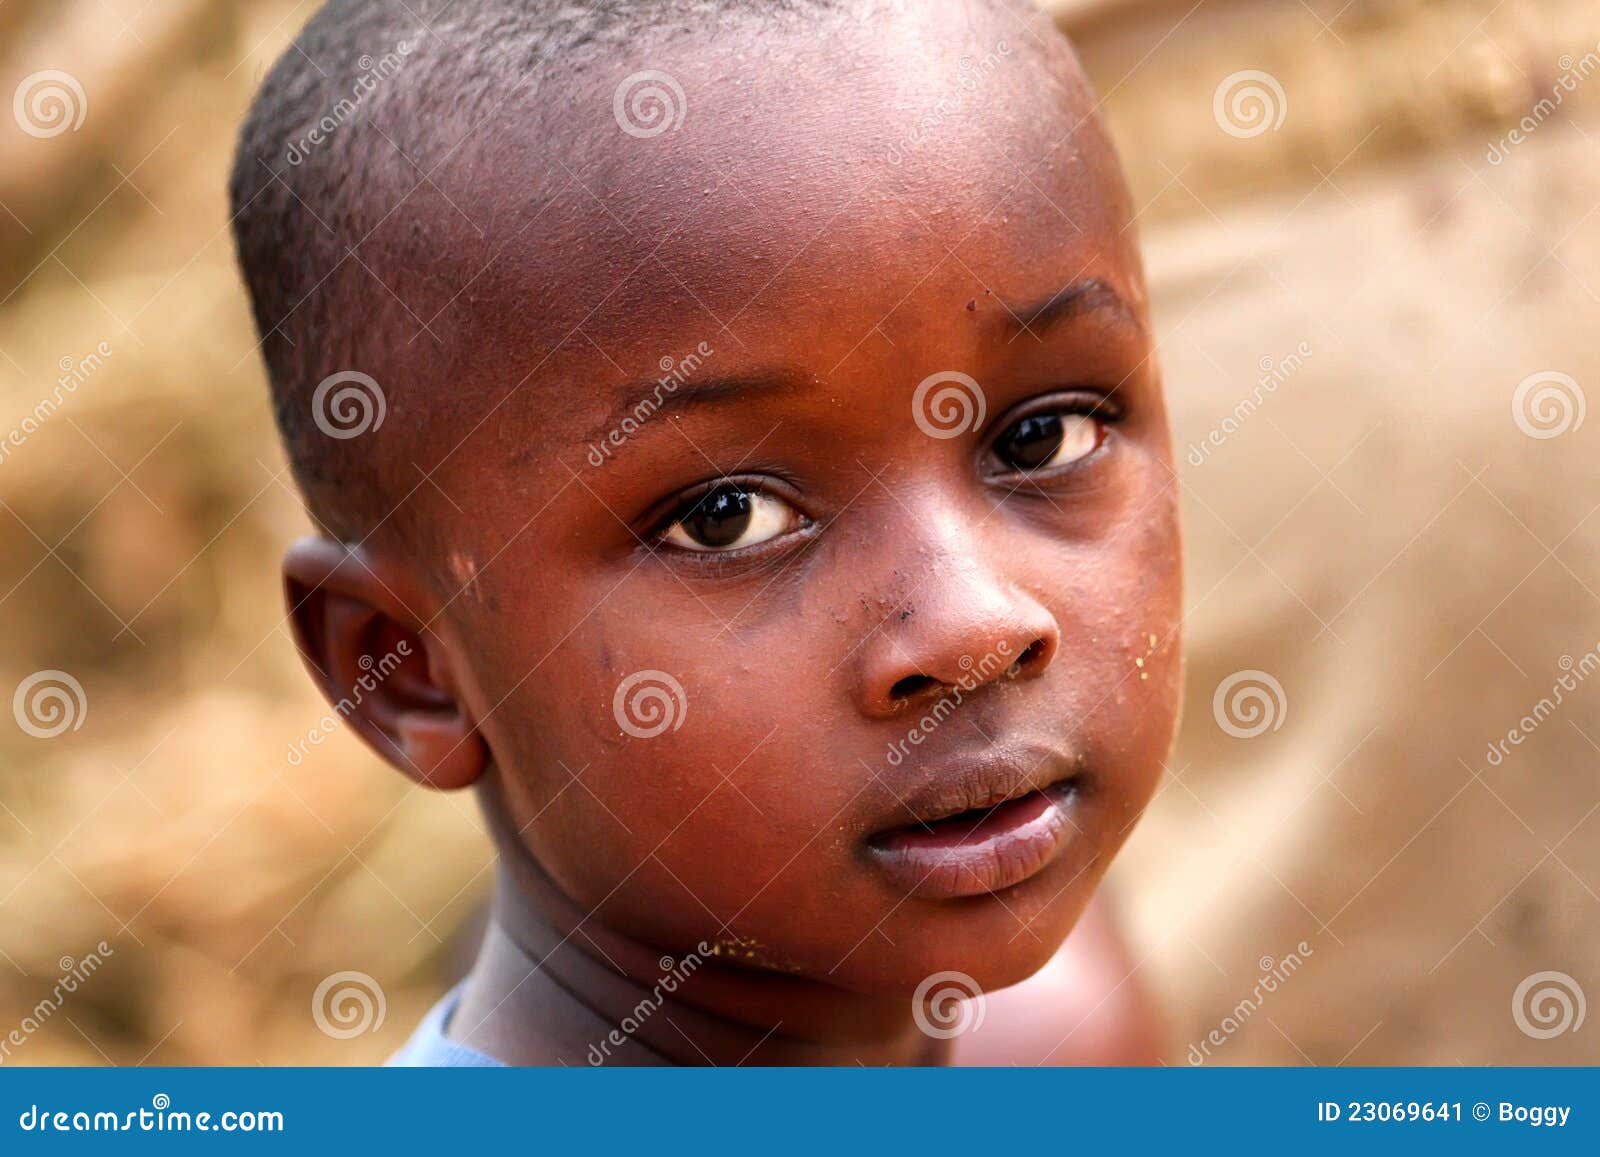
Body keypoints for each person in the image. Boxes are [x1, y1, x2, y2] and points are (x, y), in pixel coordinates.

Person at [229, 0, 1180, 1066]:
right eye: (727, 518)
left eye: (1041, 437)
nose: (972, 623)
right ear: (407, 670)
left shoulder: (1047, 1049)